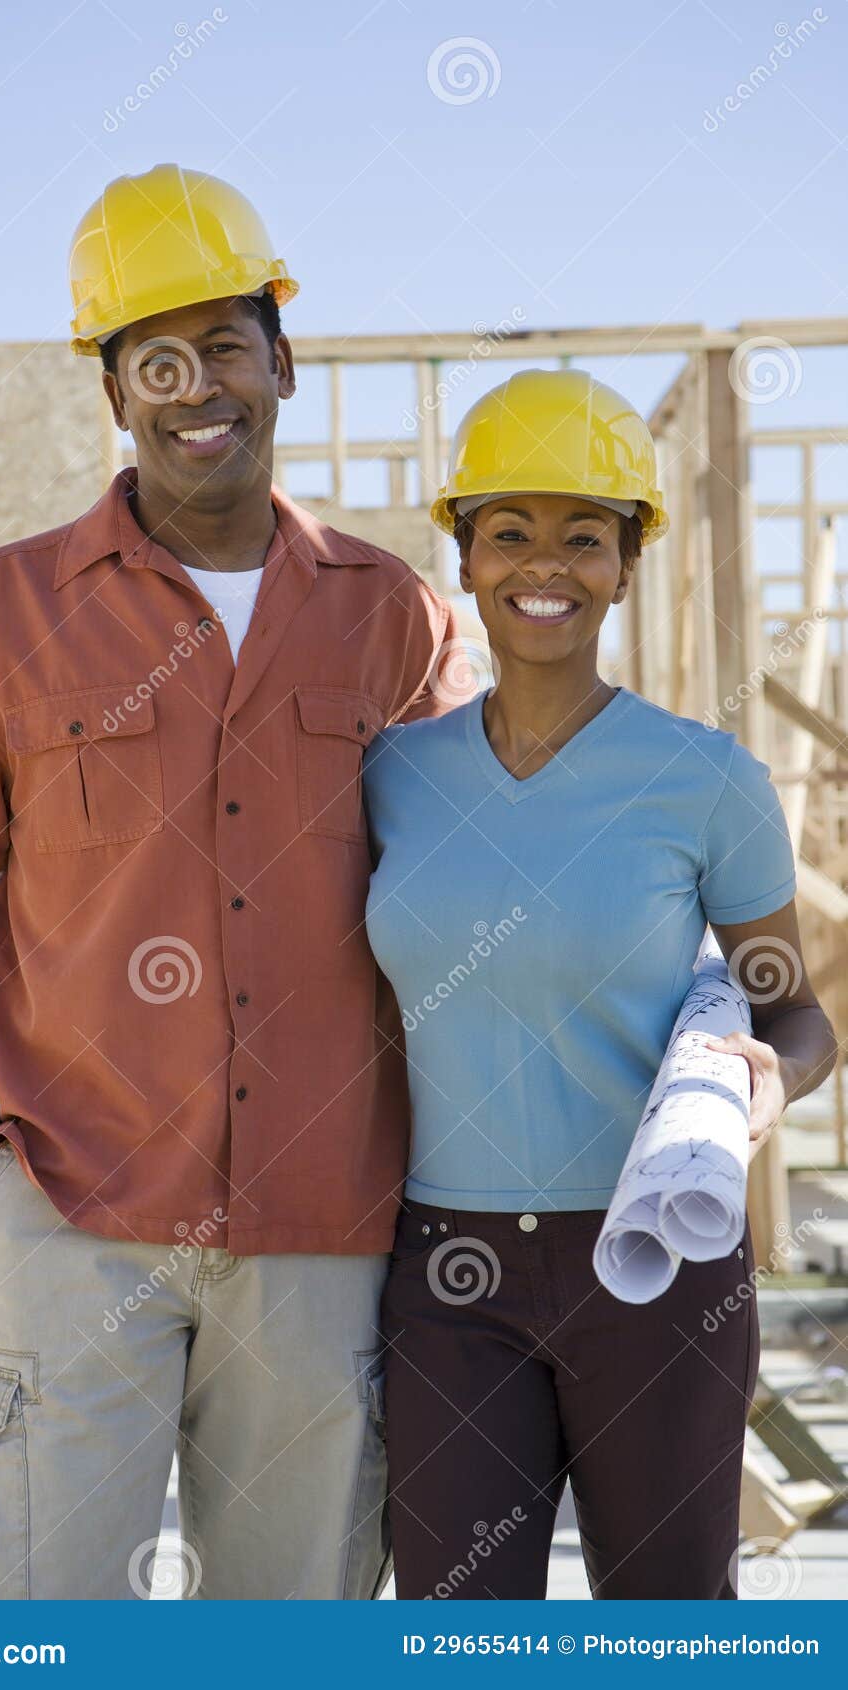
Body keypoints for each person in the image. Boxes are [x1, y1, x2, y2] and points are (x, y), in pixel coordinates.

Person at [0, 164, 466, 1600]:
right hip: (74, 1208)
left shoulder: (397, 619)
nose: (199, 388)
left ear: (283, 359)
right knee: (43, 1625)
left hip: (321, 1230)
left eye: (225, 346)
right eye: (156, 359)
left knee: (287, 1623)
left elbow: (449, 909)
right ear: (114, 392)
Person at [362, 368, 836, 1600]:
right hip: (446, 1277)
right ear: (463, 557)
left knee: (670, 1624)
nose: (547, 565)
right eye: (509, 531)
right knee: (460, 1630)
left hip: (656, 1266)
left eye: (586, 537)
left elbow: (790, 1004)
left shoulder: (701, 779)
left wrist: (775, 1074)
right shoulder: (387, 780)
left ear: (625, 565)